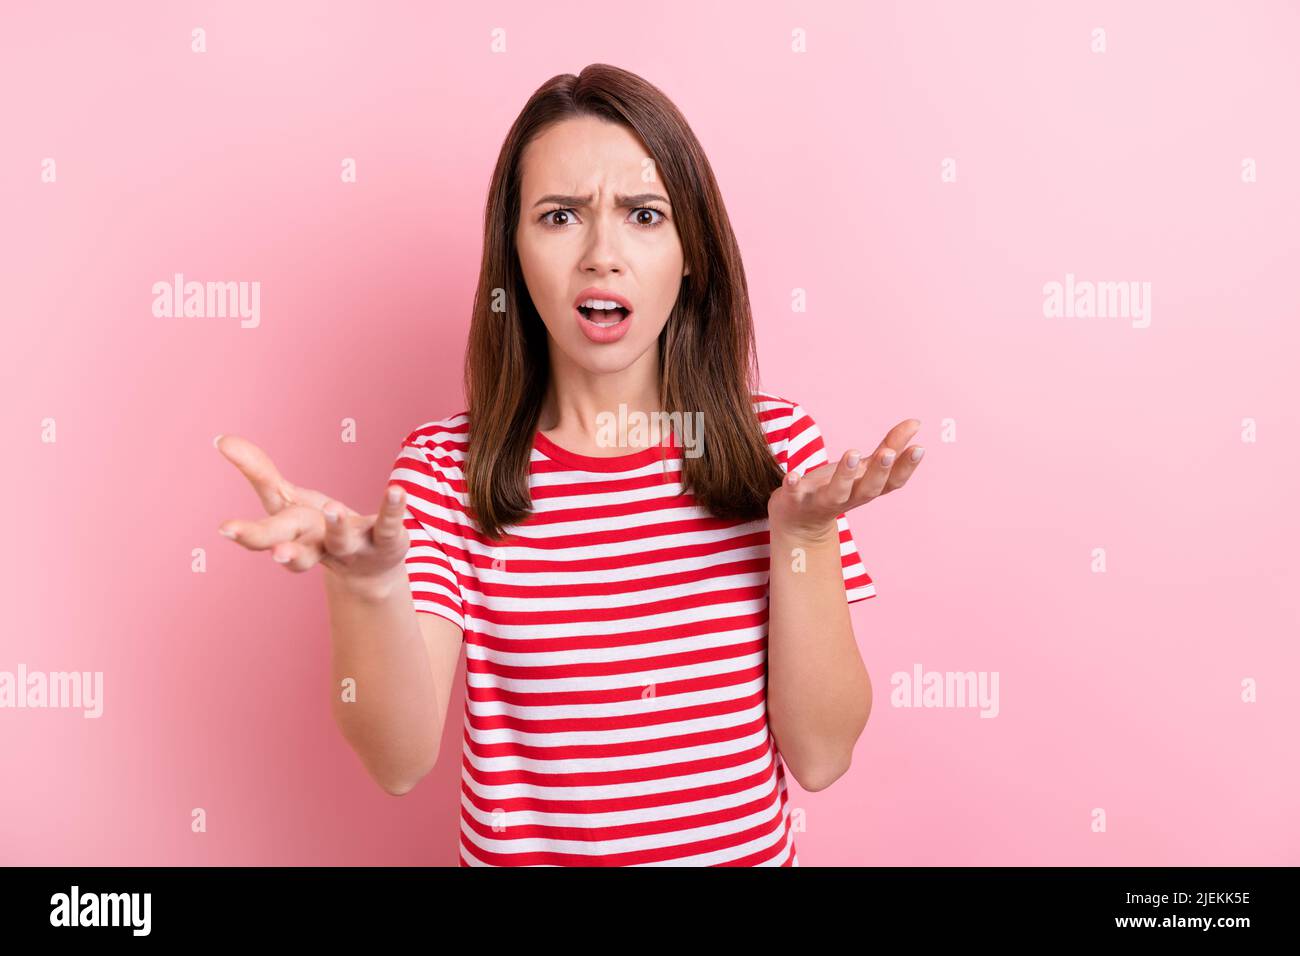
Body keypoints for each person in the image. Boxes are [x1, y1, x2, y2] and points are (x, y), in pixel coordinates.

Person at [215, 64, 924, 866]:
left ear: (691, 252)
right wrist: (367, 589)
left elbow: (823, 756)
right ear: (513, 254)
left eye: (644, 215)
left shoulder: (779, 457)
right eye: (559, 216)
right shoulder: (446, 474)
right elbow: (398, 760)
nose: (602, 255)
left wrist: (803, 537)